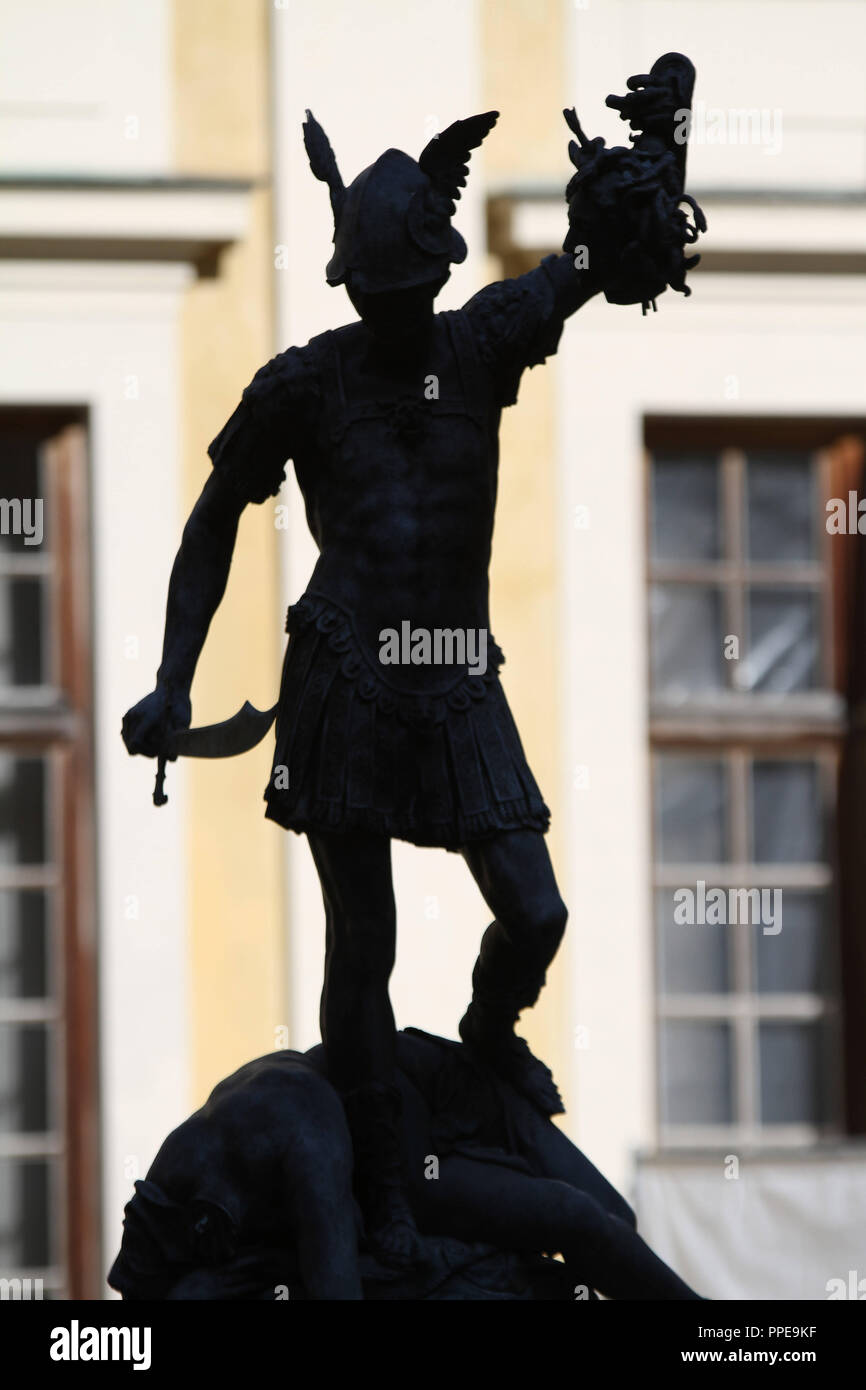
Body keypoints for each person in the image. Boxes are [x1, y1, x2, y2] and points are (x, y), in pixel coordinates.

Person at [121, 59, 704, 1266]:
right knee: (359, 950)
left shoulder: (485, 341)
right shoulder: (303, 381)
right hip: (345, 673)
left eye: (407, 289)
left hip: (453, 673)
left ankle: (491, 1027)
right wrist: (175, 674)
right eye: (376, 293)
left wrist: (650, 179)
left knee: (533, 911)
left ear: (431, 274)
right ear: (356, 284)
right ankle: (387, 1194)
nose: (393, 309)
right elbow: (213, 514)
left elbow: (588, 270)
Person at [108, 1030, 702, 1301]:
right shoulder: (273, 1144)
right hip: (399, 1137)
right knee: (582, 1217)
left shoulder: (272, 1135)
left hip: (430, 1100)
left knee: (599, 1219)